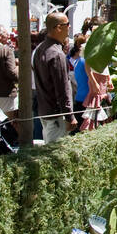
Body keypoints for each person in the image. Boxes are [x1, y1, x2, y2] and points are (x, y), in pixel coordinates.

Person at [33, 12, 76, 143]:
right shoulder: (57, 54)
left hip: (45, 110)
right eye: (67, 24)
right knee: (55, 154)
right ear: (58, 27)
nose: (69, 27)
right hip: (56, 114)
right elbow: (62, 88)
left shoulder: (40, 48)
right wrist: (70, 116)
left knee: (49, 150)